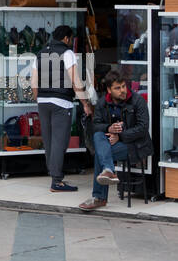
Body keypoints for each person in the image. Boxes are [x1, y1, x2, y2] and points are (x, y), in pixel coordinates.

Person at [29, 23, 93, 193]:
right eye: (70, 39)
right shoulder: (67, 53)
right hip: (61, 102)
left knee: (49, 140)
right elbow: (76, 81)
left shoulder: (40, 53)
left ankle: (53, 173)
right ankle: (57, 181)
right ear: (66, 38)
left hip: (43, 101)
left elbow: (33, 82)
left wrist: (40, 99)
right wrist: (85, 103)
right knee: (59, 141)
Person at [79, 72, 153, 211]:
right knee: (98, 135)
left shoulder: (137, 101)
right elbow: (96, 125)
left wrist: (121, 136)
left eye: (124, 86)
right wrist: (109, 128)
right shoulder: (103, 102)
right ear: (109, 90)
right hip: (113, 143)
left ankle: (99, 197)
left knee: (101, 154)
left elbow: (143, 128)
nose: (123, 90)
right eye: (117, 88)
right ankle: (108, 170)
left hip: (135, 145)